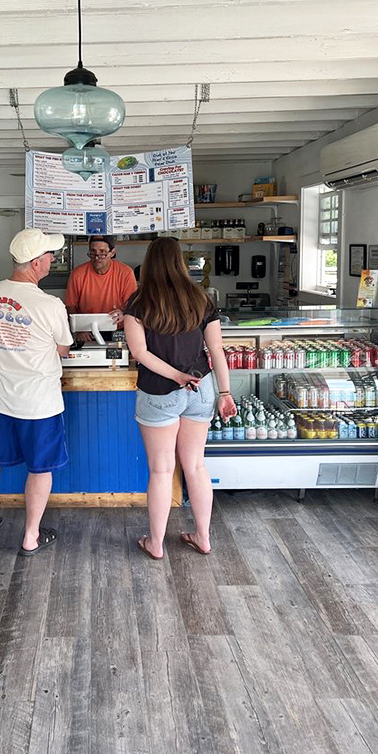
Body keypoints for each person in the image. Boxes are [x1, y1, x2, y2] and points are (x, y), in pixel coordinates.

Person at [123, 237, 236, 560]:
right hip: (201, 388)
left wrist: (175, 377)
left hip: (160, 391)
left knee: (161, 470)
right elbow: (216, 349)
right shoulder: (201, 298)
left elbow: (139, 353)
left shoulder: (138, 302)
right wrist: (224, 393)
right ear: (180, 262)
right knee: (196, 466)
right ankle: (203, 537)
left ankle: (156, 543)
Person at [0, 228, 73, 556]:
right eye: (49, 256)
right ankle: (30, 536)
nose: (53, 260)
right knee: (40, 467)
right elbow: (62, 349)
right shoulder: (49, 305)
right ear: (34, 262)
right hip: (38, 404)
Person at [65, 234, 137, 340]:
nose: (97, 257)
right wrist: (79, 329)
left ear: (112, 253)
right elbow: (70, 307)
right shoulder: (78, 274)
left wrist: (123, 314)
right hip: (87, 332)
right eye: (93, 252)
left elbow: (133, 306)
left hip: (118, 331)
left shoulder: (125, 273)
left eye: (102, 253)